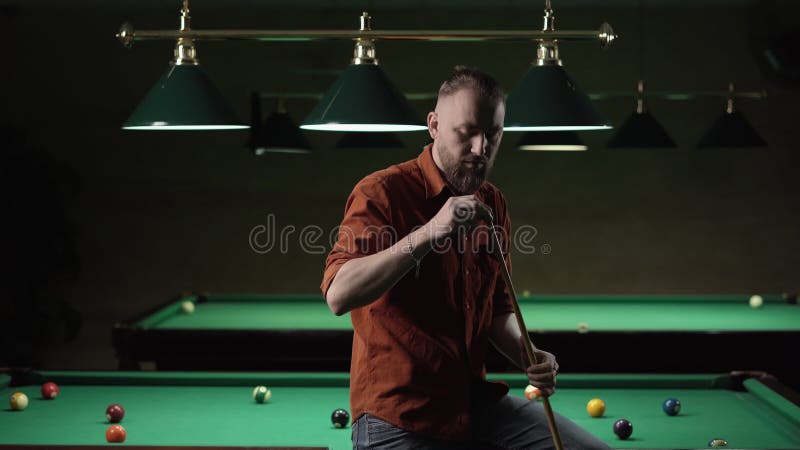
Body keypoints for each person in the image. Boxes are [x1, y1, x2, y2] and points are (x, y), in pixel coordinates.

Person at [321, 66, 609, 450]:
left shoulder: (492, 202)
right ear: (434, 125)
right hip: (397, 417)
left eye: (493, 134)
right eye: (466, 132)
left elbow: (497, 312)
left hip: (474, 407)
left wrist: (529, 355)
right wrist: (432, 231)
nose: (480, 149)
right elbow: (339, 294)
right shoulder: (381, 193)